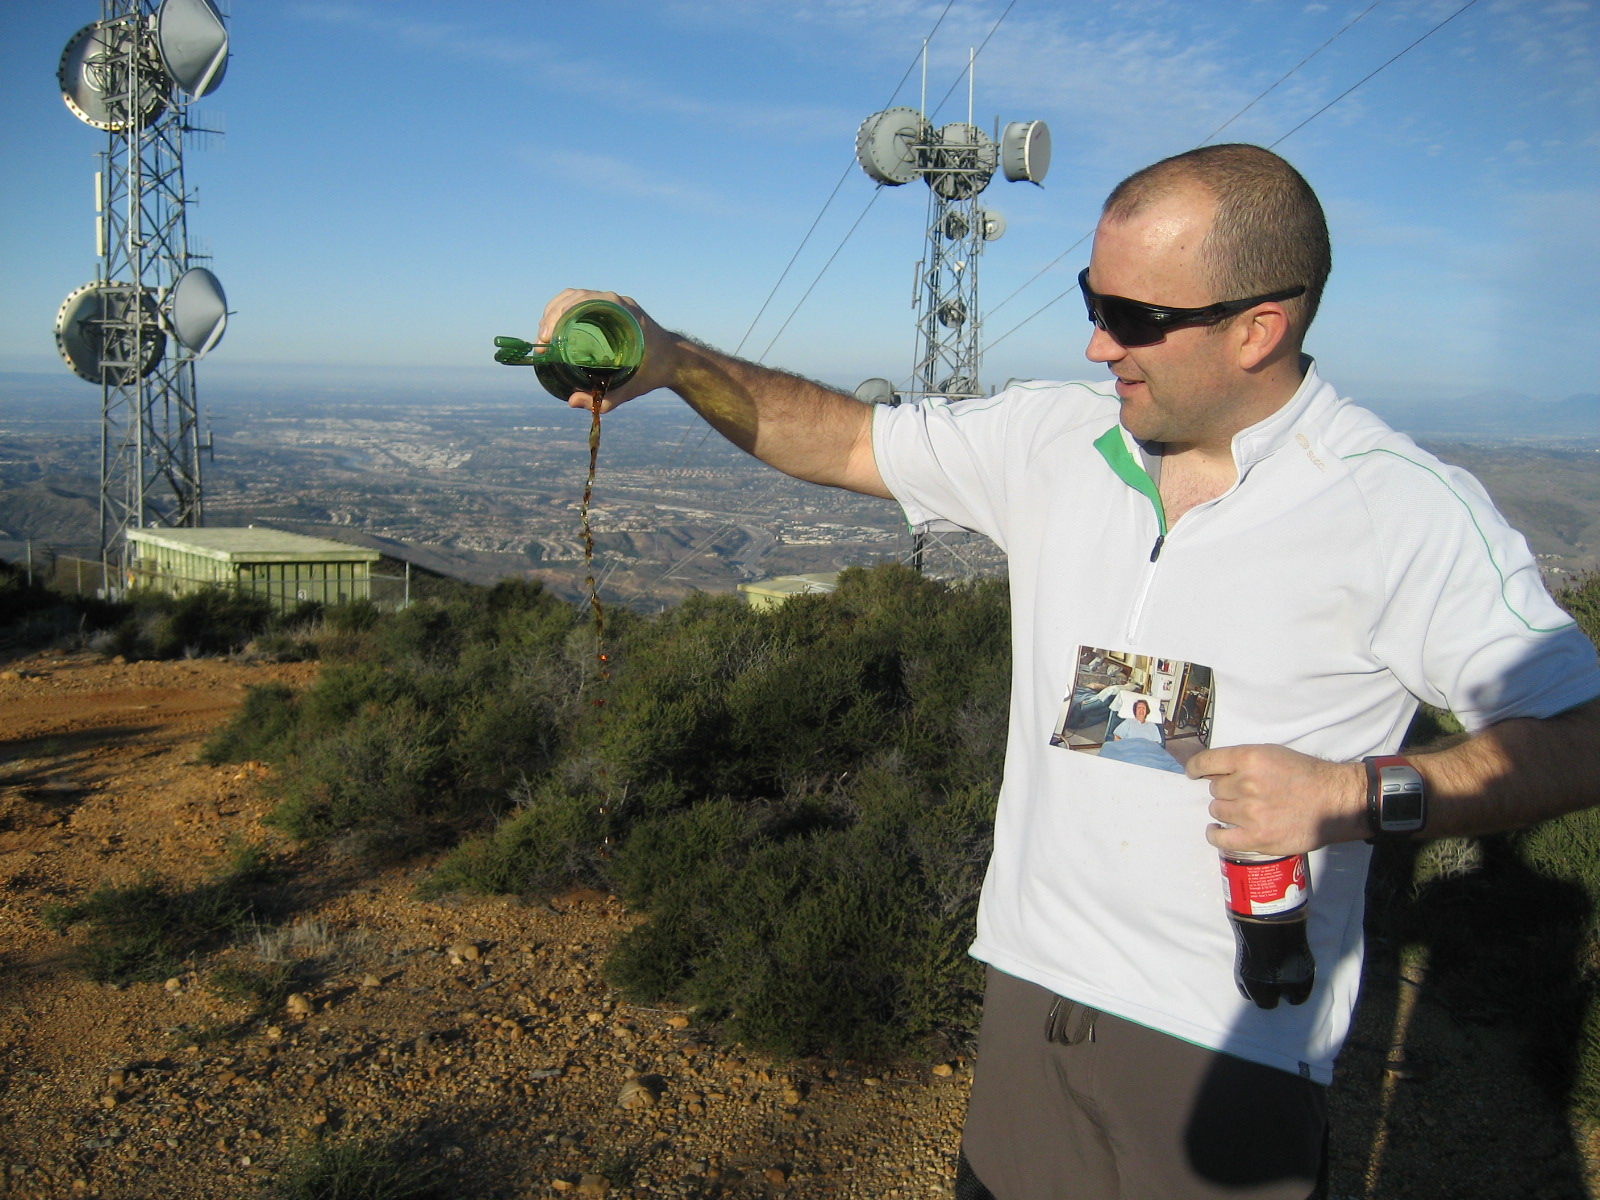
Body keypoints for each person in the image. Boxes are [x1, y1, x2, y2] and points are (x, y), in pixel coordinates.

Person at [537, 143, 1600, 1200]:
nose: (1098, 343)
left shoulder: (1400, 511)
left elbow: (1581, 736)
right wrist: (675, 361)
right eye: (1097, 299)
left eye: (1137, 318)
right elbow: (848, 441)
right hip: (1030, 990)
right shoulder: (1053, 439)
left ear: (1257, 329)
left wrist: (1357, 795)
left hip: (1226, 1036)